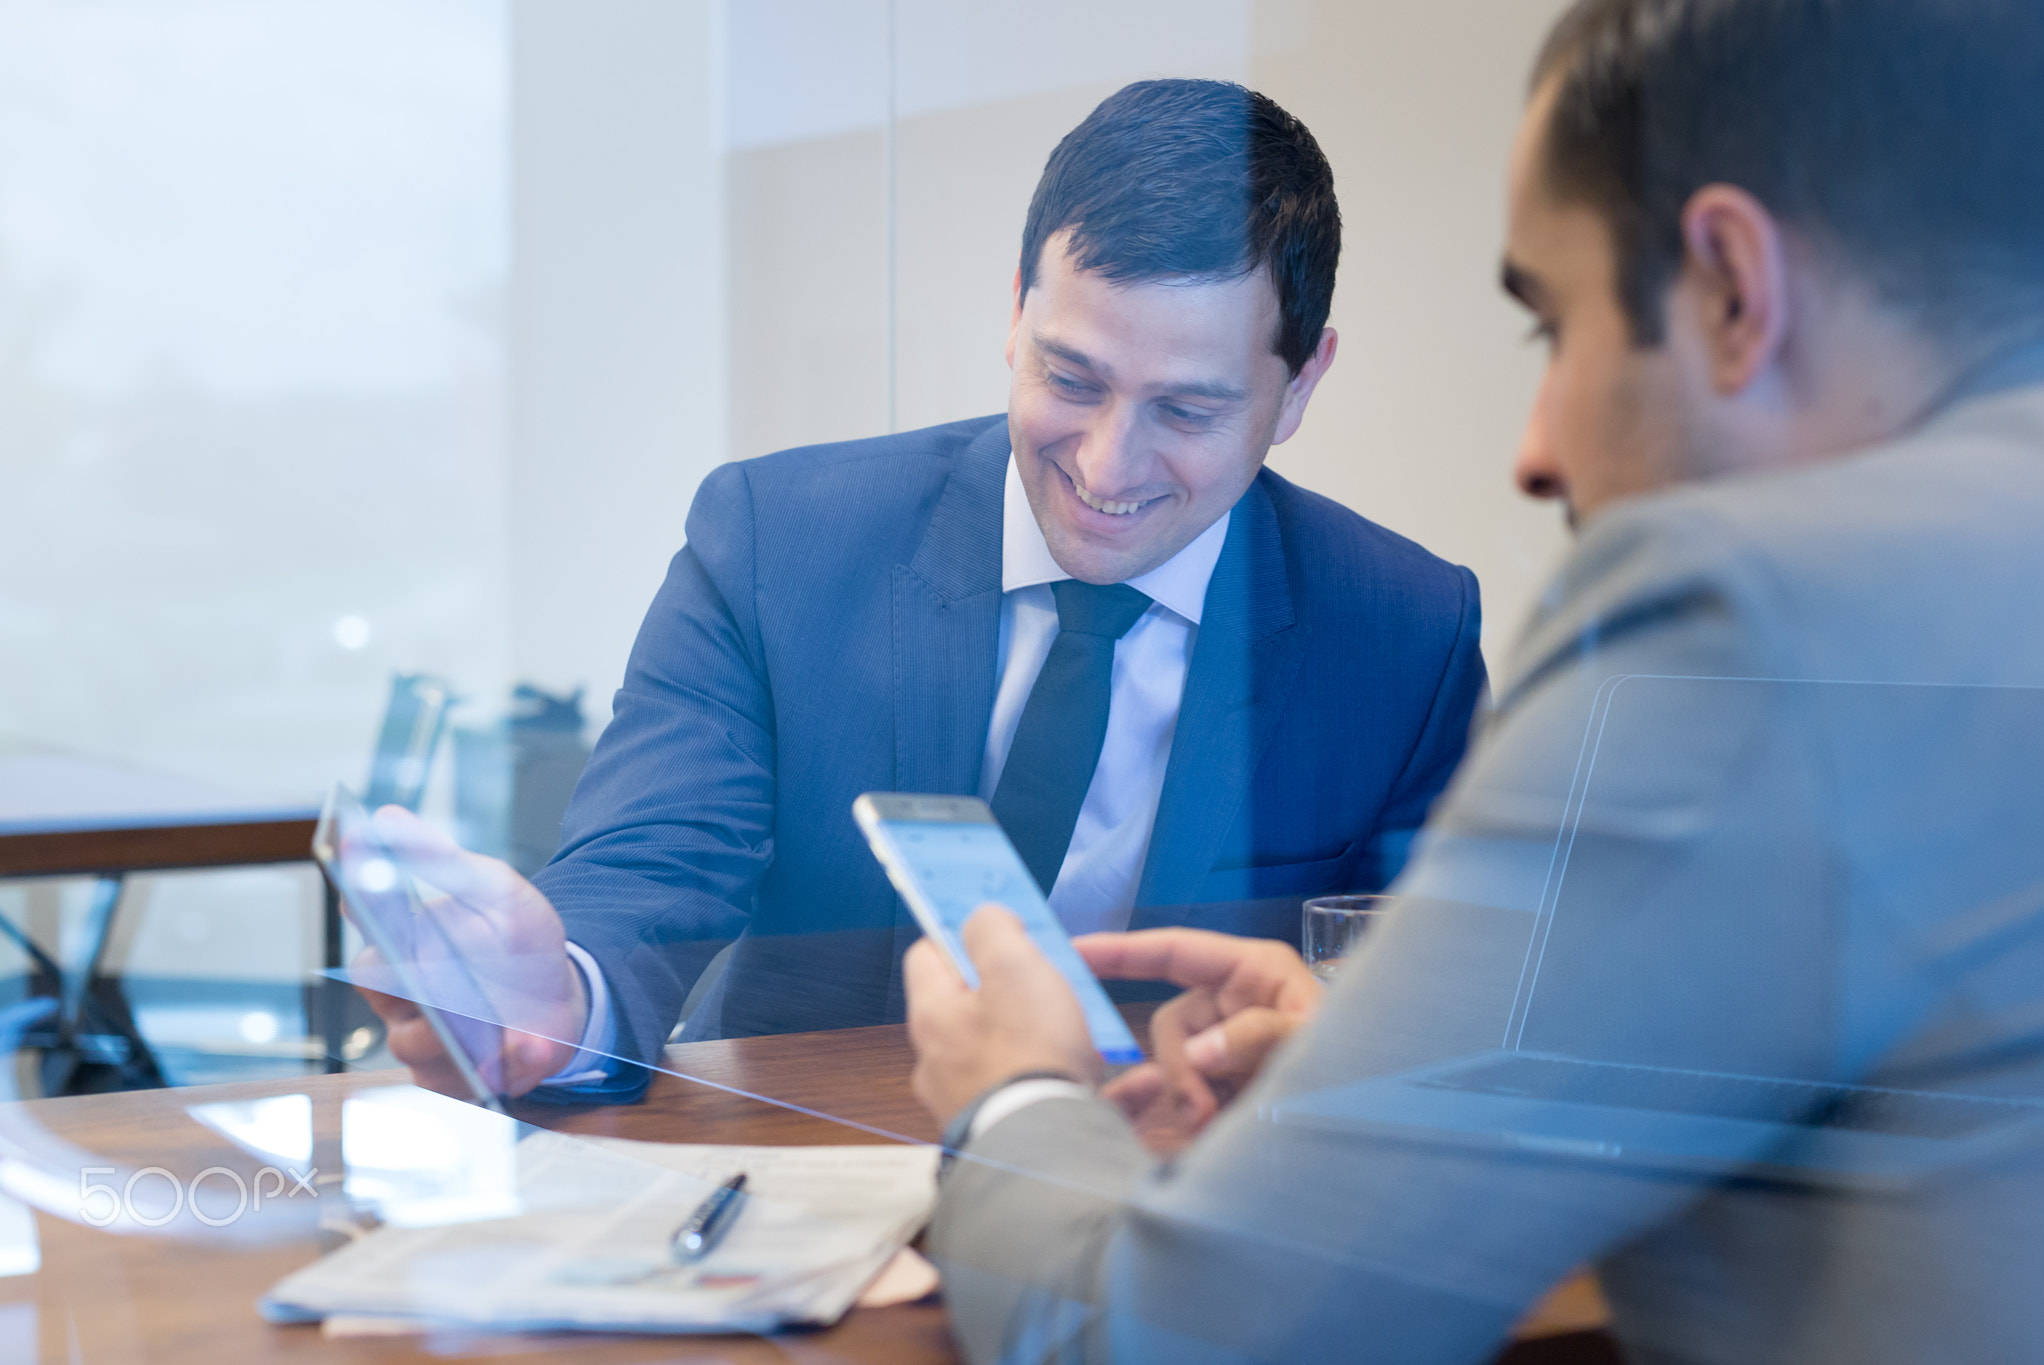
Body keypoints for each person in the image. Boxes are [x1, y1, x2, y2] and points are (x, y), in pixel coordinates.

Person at [905, 1, 2044, 1360]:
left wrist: (1016, 1102)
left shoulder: (1747, 610)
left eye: (1551, 327)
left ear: (1734, 286)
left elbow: (1181, 1338)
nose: (1536, 448)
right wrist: (1417, 1065)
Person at [366, 79, 1487, 1102]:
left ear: (1300, 387)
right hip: (791, 1161)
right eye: (1069, 378)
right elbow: (652, 862)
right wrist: (559, 996)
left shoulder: (1401, 634)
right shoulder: (777, 542)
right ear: (1013, 312)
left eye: (1186, 412)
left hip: (1161, 1211)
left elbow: (1412, 1003)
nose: (1105, 467)